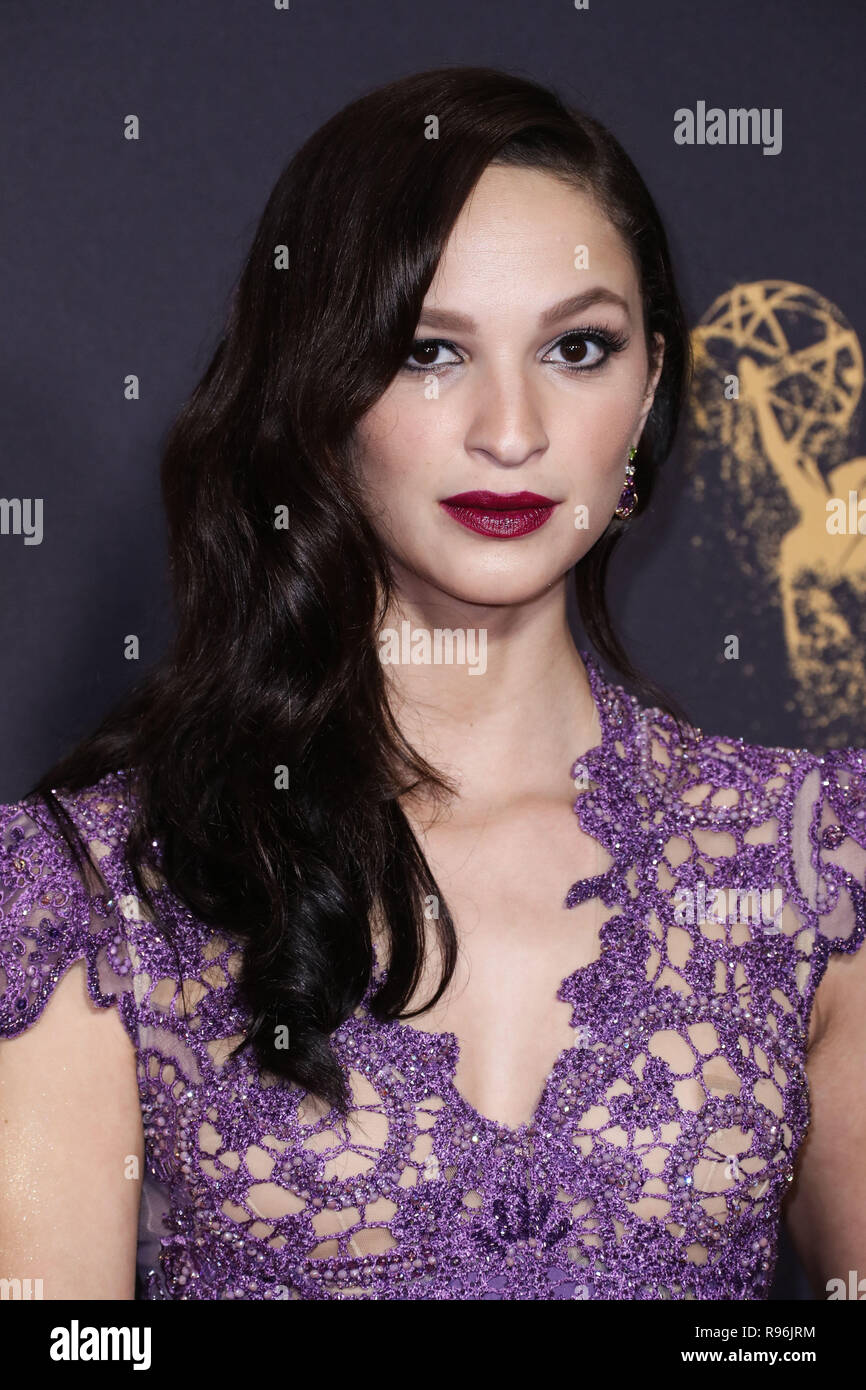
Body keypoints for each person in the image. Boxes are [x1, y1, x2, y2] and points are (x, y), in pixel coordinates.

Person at [1, 66, 865, 1302]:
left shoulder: (807, 863)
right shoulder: (91, 894)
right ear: (315, 390)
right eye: (426, 351)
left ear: (651, 387)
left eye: (577, 347)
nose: (508, 429)